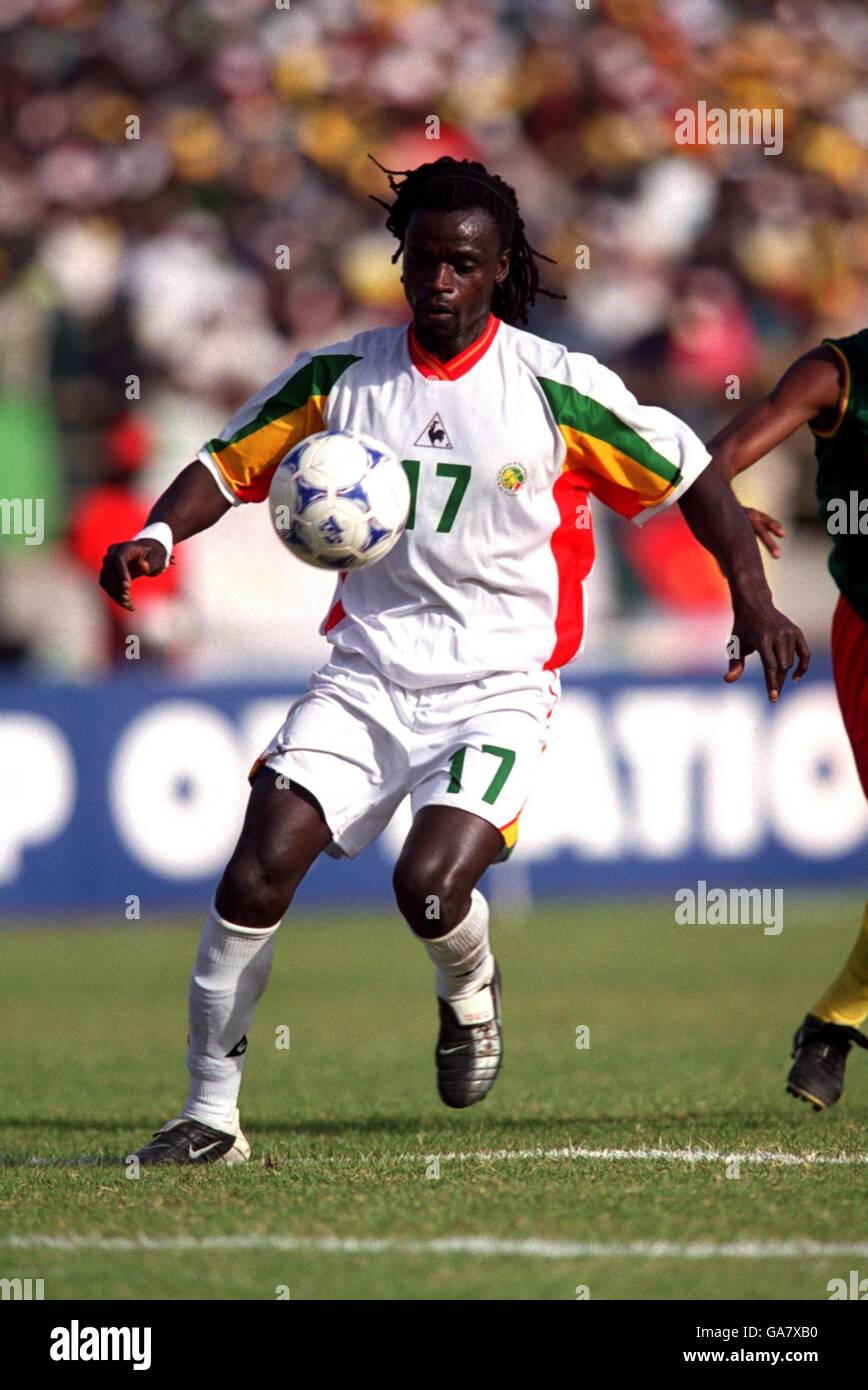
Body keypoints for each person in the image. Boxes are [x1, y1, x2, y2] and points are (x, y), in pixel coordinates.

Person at [100, 158, 809, 1165]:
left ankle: (468, 988)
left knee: (428, 886)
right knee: (253, 874)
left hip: (498, 687)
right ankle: (210, 1116)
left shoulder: (554, 387)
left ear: (498, 269)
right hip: (364, 675)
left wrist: (751, 598)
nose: (438, 283)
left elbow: (689, 470)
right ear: (402, 261)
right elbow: (225, 464)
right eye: (422, 262)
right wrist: (160, 538)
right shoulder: (341, 377)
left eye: (461, 265)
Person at [708, 330, 868, 1111]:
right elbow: (706, 467)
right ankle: (834, 1023)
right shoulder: (837, 373)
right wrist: (730, 520)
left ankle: (834, 1026)